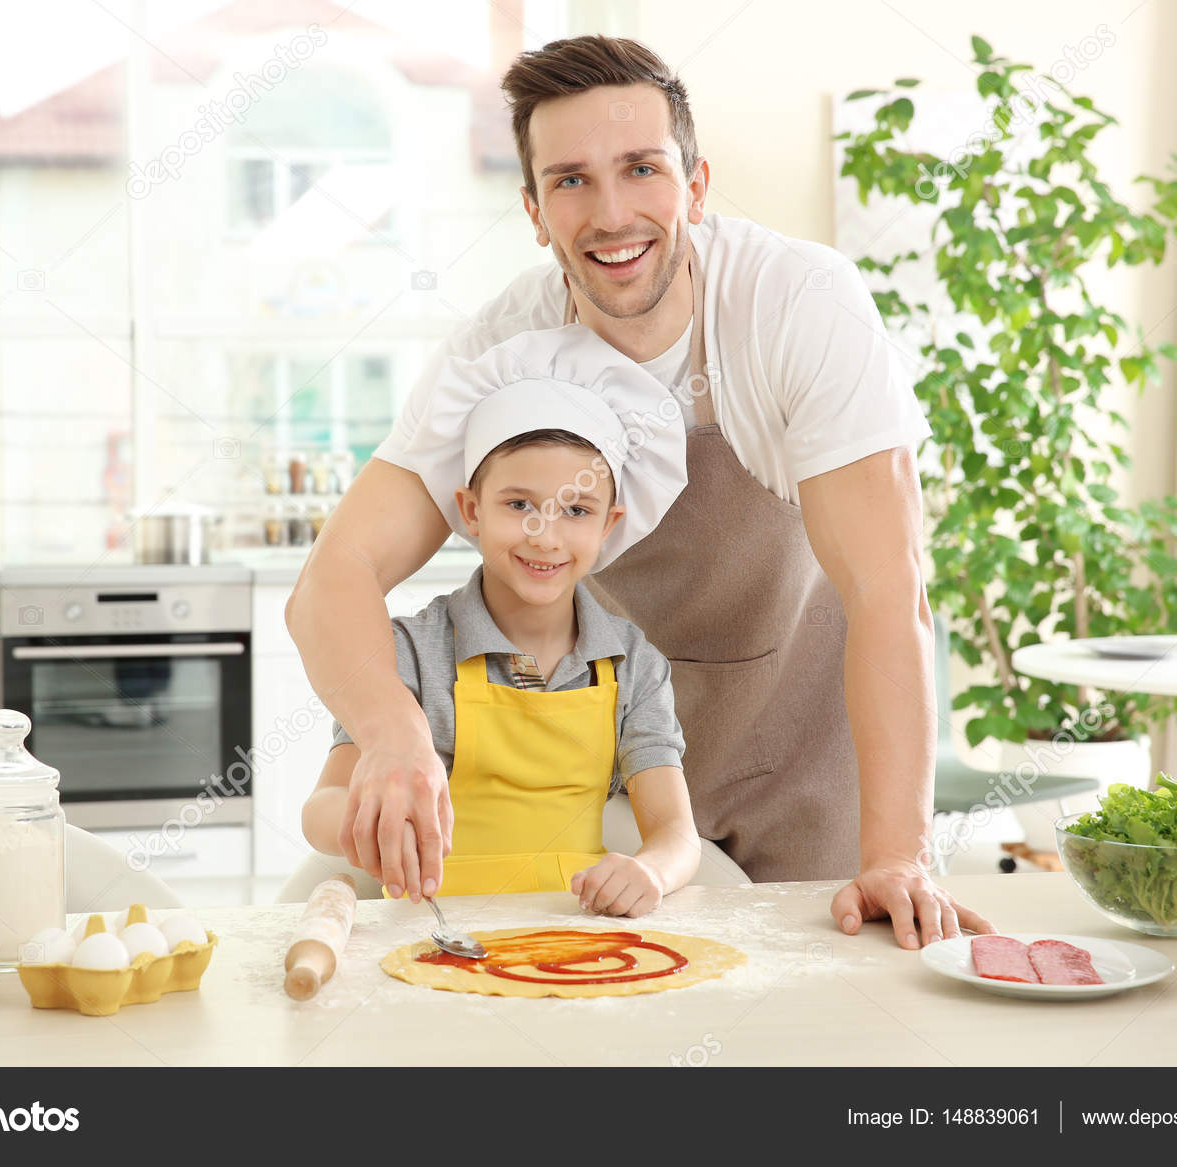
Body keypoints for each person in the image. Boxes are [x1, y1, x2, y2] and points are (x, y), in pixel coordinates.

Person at [286, 35, 994, 947]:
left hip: (810, 755)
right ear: (535, 211)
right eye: (571, 180)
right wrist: (390, 732)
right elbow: (331, 579)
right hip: (617, 769)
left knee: (821, 1018)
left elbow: (888, 592)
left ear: (696, 186)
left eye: (642, 169)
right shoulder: (499, 352)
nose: (611, 213)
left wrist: (900, 849)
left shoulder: (797, 305)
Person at [301, 326, 702, 914]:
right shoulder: (408, 652)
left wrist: (649, 873)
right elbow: (322, 807)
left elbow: (676, 835)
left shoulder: (633, 664)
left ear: (608, 524)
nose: (545, 535)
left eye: (576, 509)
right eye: (518, 505)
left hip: (574, 943)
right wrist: (372, 819)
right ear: (471, 511)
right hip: (430, 941)